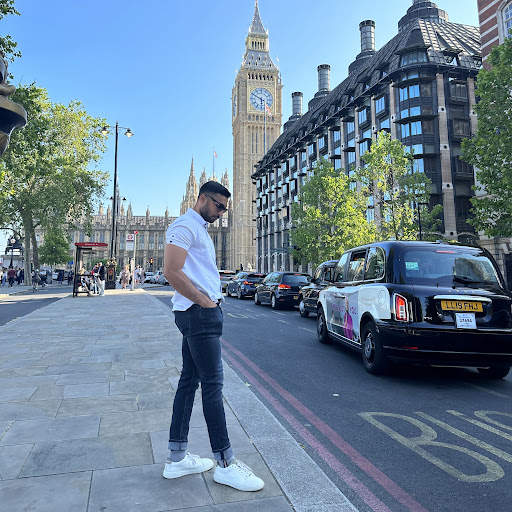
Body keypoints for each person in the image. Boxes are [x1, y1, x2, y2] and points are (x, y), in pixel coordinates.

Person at [162, 181, 264, 492]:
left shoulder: (201, 229)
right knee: (212, 387)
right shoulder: (185, 225)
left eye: (225, 209)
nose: (221, 213)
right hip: (198, 314)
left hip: (200, 313)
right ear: (202, 198)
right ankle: (226, 464)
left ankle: (177, 458)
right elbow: (171, 270)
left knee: (189, 382)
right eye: (218, 206)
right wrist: (205, 302)